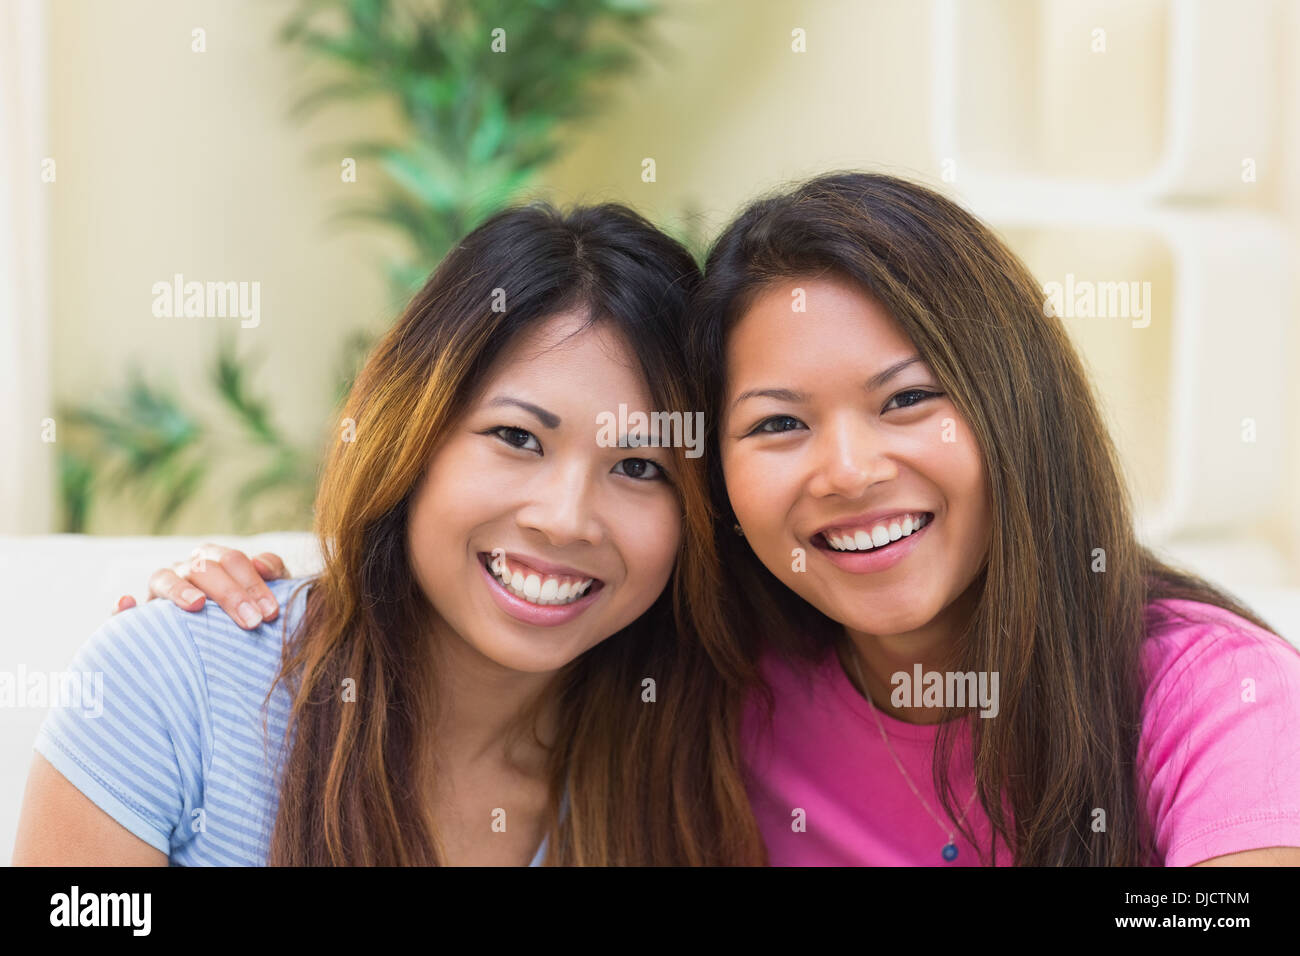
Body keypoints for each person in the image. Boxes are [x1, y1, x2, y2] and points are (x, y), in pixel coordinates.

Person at [99, 173, 1300, 866]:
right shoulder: (726, 694)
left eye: (909, 400)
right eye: (778, 424)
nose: (846, 469)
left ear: (1017, 409)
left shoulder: (1211, 696)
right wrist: (243, 599)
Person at [12, 203, 765, 866]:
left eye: (638, 466)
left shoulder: (693, 767)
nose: (565, 518)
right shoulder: (174, 685)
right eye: (517, 437)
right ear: (412, 442)